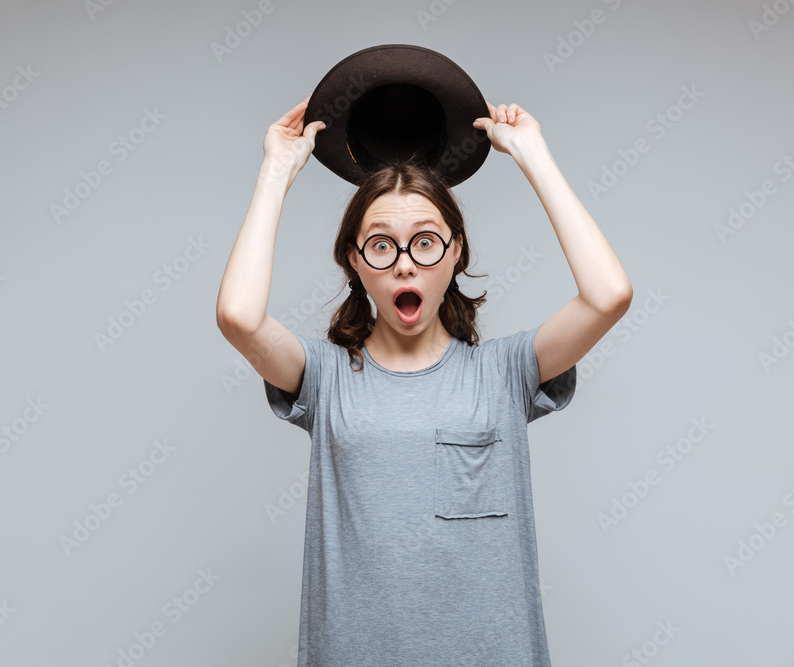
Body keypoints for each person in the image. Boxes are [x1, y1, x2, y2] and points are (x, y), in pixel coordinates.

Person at [216, 94, 633, 666]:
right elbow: (239, 317)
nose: (405, 264)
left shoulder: (504, 372)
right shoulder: (325, 377)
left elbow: (609, 296)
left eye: (426, 241)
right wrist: (275, 172)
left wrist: (532, 154)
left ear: (455, 253)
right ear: (355, 262)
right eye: (381, 245)